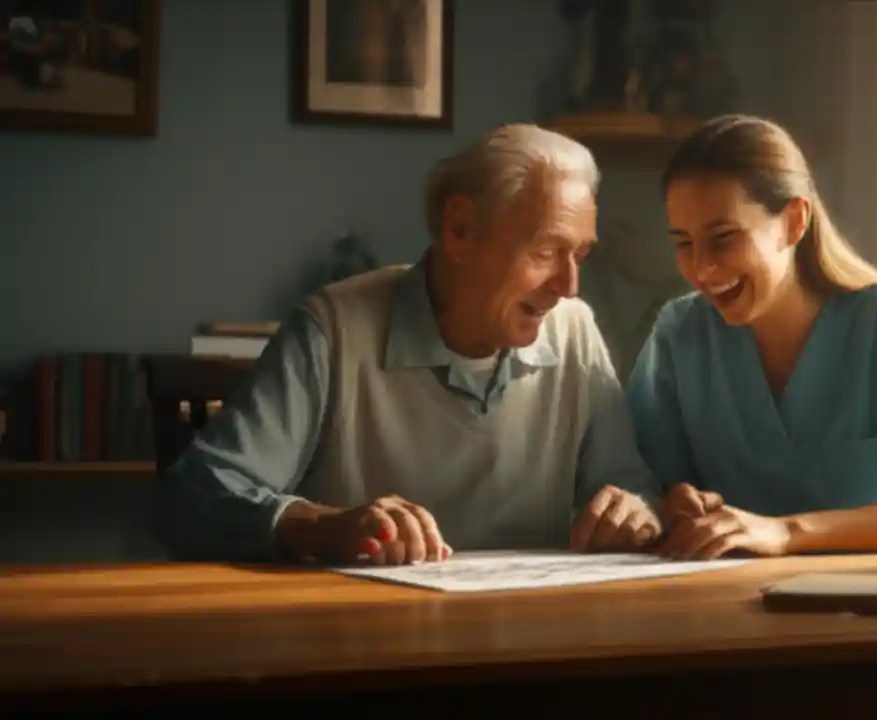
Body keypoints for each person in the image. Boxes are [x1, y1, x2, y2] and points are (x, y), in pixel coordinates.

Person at [152, 124, 663, 566]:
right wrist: (321, 526)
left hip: (528, 648)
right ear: (460, 230)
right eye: (547, 251)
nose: (569, 285)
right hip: (364, 653)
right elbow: (192, 498)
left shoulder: (574, 330)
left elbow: (629, 486)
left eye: (581, 254)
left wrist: (635, 510)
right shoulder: (333, 329)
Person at [626, 114, 877, 561]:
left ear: (794, 221)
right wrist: (670, 503)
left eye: (724, 237)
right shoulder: (680, 335)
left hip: (866, 607)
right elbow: (643, 486)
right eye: (683, 243)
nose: (701, 268)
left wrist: (787, 532)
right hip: (715, 605)